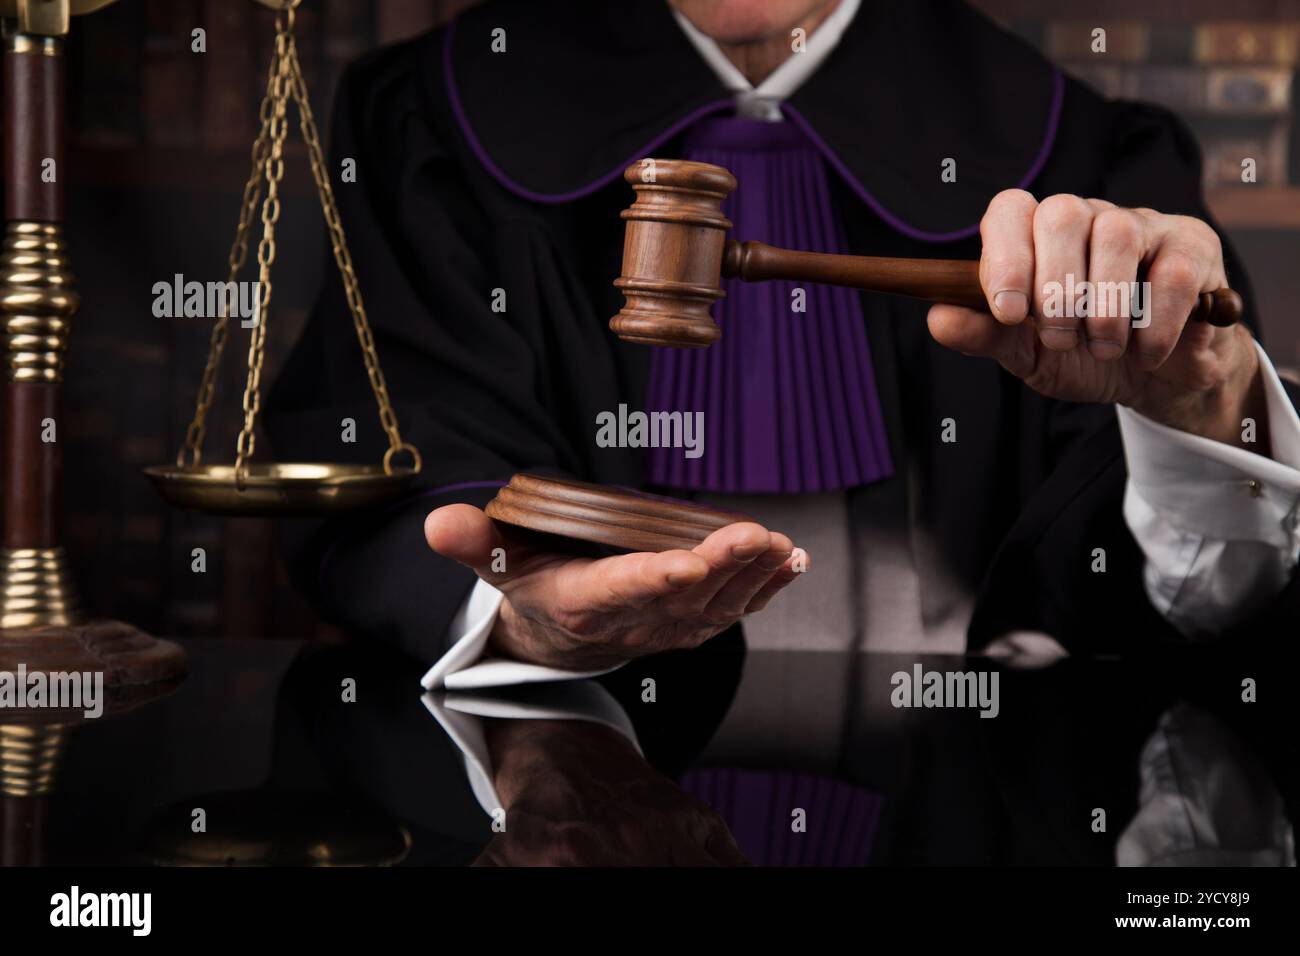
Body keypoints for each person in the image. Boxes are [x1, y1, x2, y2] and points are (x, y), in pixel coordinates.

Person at [265, 0, 1300, 690]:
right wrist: (510, 614)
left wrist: (1203, 421)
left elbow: (1189, 618)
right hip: (567, 765)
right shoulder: (429, 118)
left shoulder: (1081, 152)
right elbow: (391, 473)